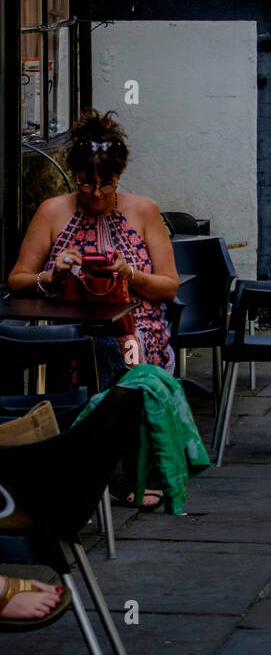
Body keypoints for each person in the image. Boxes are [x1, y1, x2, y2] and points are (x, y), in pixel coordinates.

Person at [8, 109, 180, 508]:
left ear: (119, 177)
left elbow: (169, 286)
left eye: (107, 185)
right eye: (87, 185)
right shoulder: (53, 211)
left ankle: (113, 468)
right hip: (71, 323)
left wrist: (129, 274)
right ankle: (99, 468)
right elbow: (18, 278)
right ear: (74, 176)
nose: (97, 194)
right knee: (85, 346)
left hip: (136, 320)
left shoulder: (144, 211)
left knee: (126, 345)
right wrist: (52, 275)